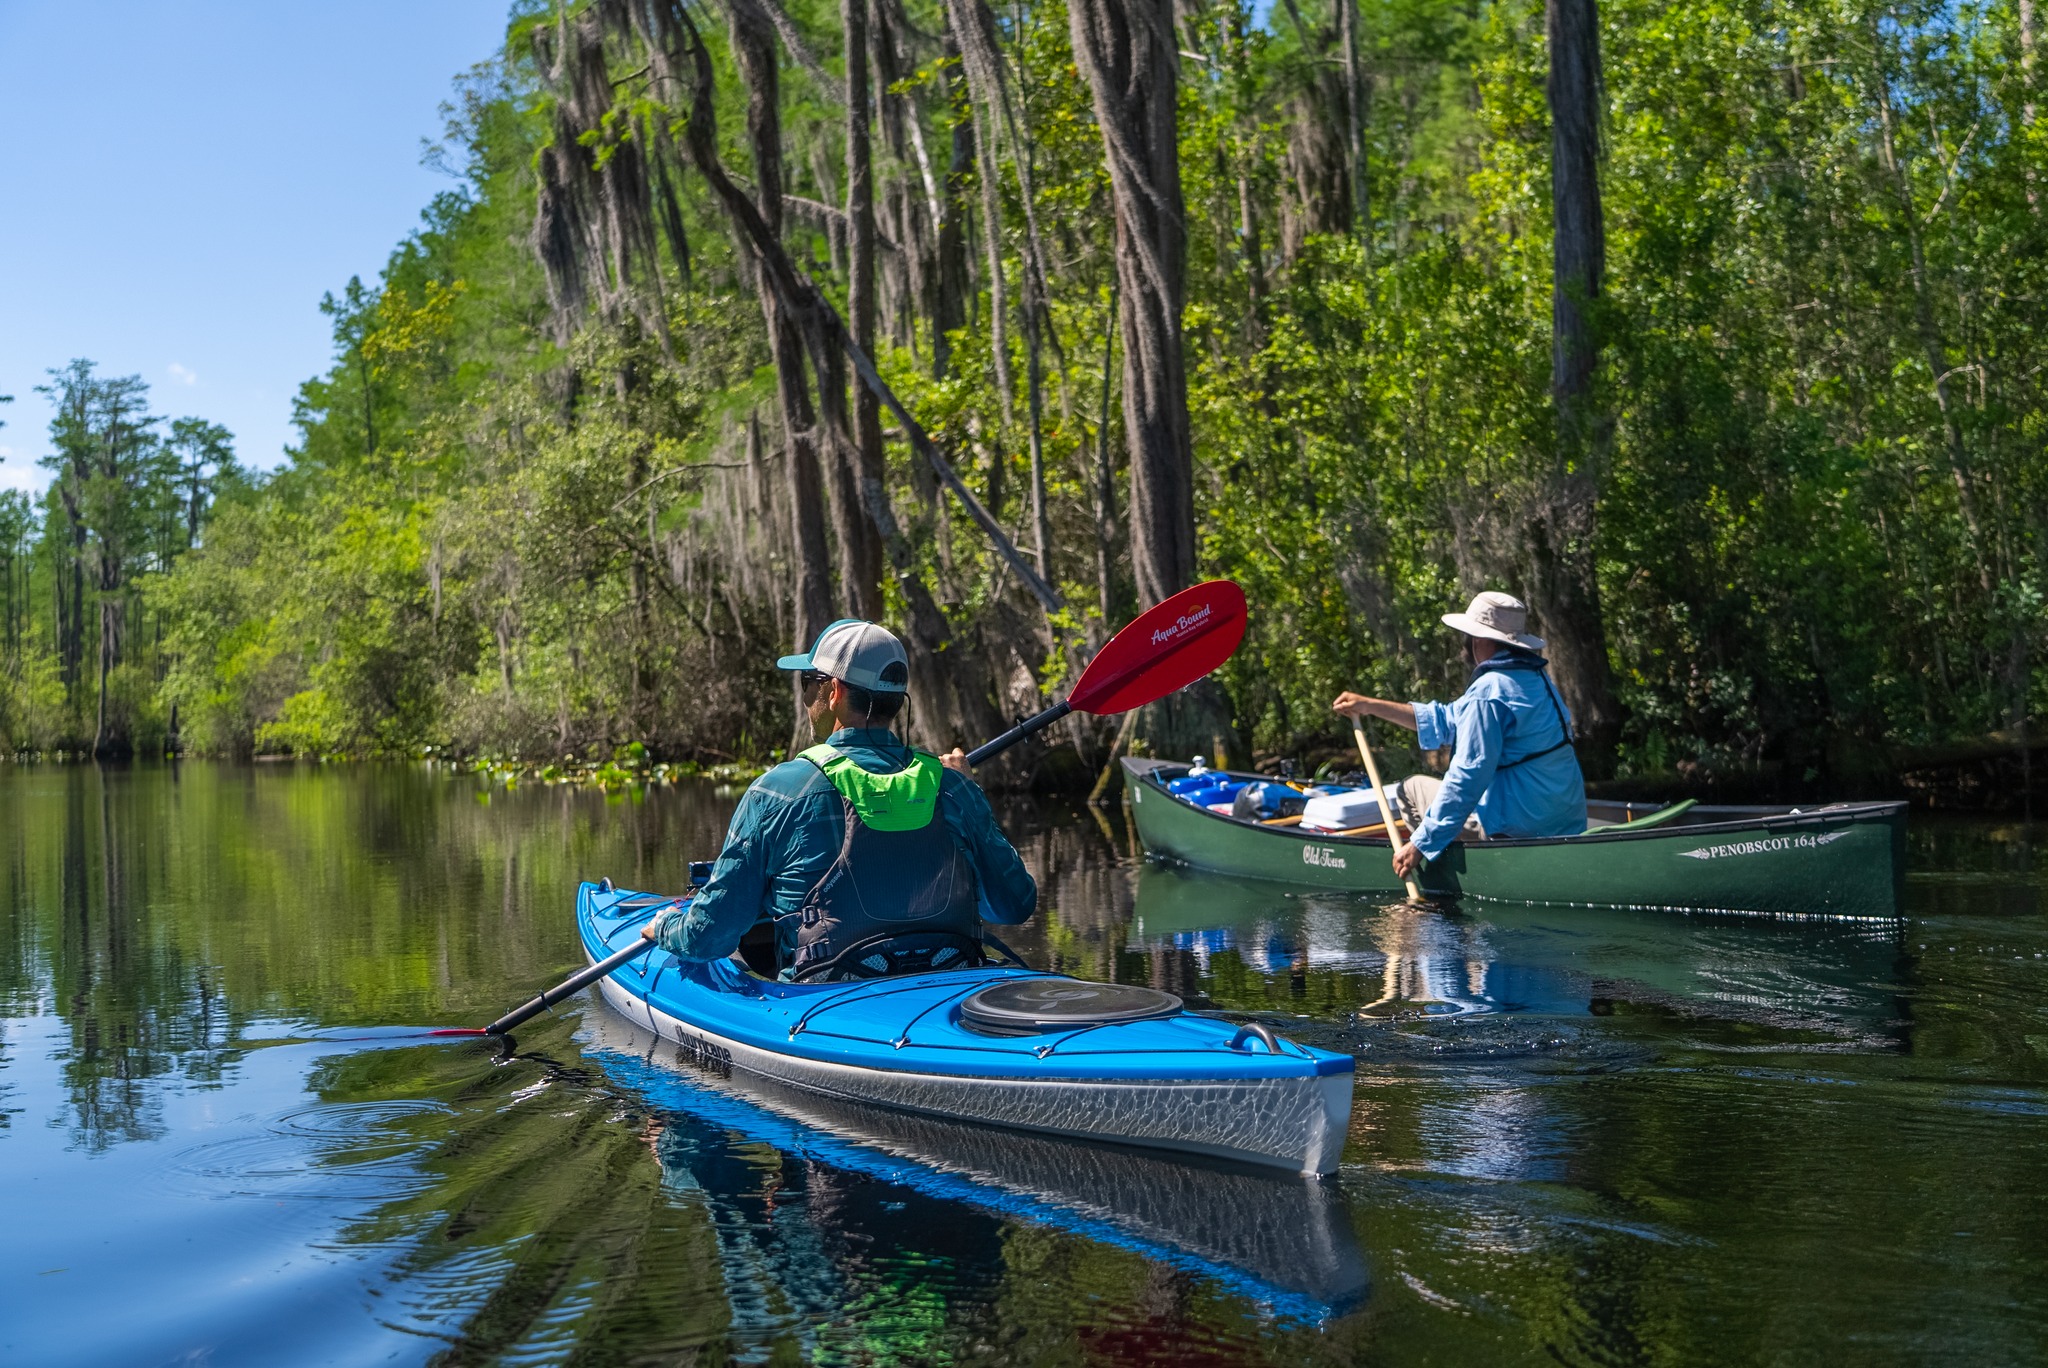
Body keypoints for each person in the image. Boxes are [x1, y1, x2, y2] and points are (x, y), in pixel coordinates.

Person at [642, 619, 1037, 980]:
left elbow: (708, 938)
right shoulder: (952, 786)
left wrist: (663, 926)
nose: (805, 698)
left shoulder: (778, 790)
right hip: (947, 983)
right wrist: (969, 794)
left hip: (823, 1000)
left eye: (807, 683)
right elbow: (1012, 906)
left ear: (833, 691)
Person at [1331, 591, 1587, 882]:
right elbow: (1444, 720)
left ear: (1480, 640)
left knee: (1410, 789)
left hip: (1521, 829)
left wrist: (1420, 843)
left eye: (1467, 636)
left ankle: (1447, 884)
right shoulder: (1537, 679)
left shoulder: (1488, 692)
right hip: (1564, 823)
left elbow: (1468, 774)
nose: (1463, 646)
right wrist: (1369, 706)